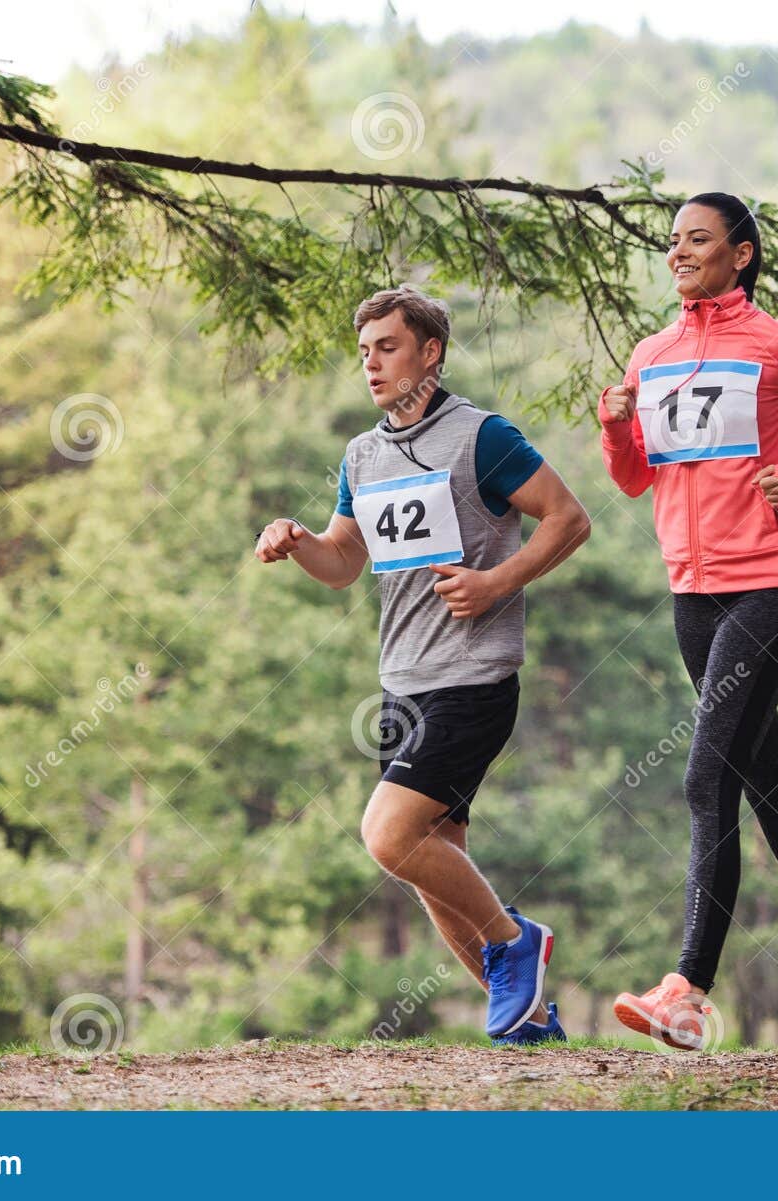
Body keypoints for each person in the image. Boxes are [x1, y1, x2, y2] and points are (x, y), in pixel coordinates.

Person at [257, 284, 590, 1045]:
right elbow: (344, 561)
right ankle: (533, 1025)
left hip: (473, 679)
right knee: (436, 865)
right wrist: (297, 538)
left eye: (389, 347)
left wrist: (496, 581)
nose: (372, 364)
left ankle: (516, 942)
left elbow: (570, 518)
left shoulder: (482, 437)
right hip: (400, 685)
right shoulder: (363, 455)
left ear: (430, 352)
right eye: (365, 350)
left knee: (389, 835)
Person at [598, 192, 778, 1050]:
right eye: (673, 241)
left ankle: (686, 988)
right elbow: (635, 478)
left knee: (705, 776)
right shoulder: (651, 353)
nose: (678, 252)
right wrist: (616, 430)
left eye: (698, 240)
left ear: (743, 253)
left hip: (769, 581)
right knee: (769, 782)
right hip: (693, 591)